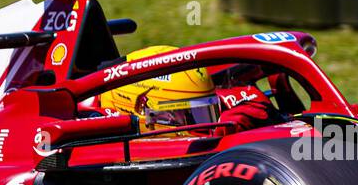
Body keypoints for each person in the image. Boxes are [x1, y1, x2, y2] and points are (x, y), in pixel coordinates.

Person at [98, 44, 280, 134]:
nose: (205, 124)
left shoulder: (234, 108)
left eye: (206, 111)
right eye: (189, 114)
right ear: (143, 109)